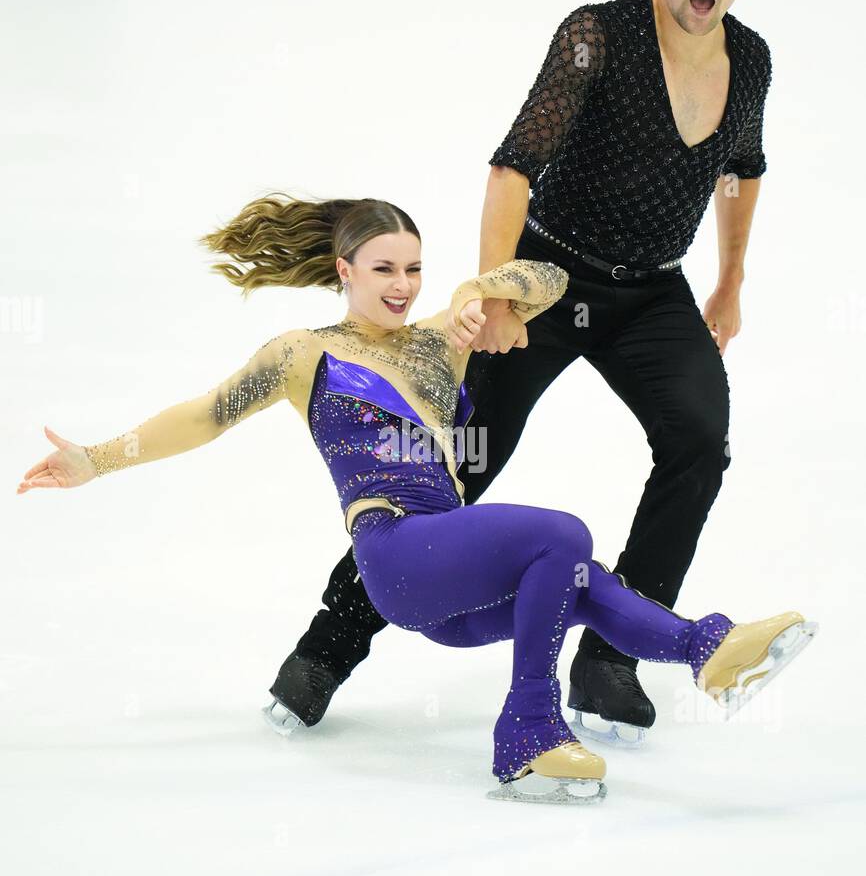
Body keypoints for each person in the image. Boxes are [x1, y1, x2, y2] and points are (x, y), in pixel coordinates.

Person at [17, 195, 816, 804]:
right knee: (561, 535)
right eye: (384, 270)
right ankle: (529, 728)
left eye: (413, 270)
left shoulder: (440, 339)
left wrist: (484, 287)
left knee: (579, 579)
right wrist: (96, 458)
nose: (402, 286)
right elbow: (204, 415)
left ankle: (707, 654)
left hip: (447, 582)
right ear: (345, 271)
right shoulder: (305, 353)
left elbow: (552, 280)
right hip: (394, 555)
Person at [275, 0, 776, 748]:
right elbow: (512, 168)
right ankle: (327, 647)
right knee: (459, 459)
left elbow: (744, 169)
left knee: (700, 439)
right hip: (546, 278)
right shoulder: (598, 37)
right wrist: (495, 293)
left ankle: (609, 662)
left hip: (654, 290)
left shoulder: (754, 58)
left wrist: (728, 281)